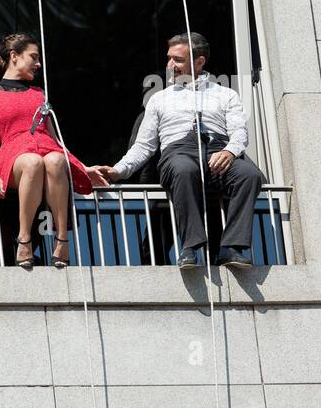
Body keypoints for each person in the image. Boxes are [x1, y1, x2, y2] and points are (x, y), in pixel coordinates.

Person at [90, 32, 261, 270]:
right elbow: (144, 146)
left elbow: (240, 132)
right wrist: (118, 171)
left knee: (248, 174)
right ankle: (191, 245)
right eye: (169, 59)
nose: (170, 65)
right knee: (183, 169)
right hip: (178, 152)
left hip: (218, 150)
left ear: (199, 62)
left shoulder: (226, 94)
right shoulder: (158, 99)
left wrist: (231, 152)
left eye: (178, 60)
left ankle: (232, 247)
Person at [0, 33, 106, 269]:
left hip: (45, 150)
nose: (38, 64)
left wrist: (83, 168)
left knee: (55, 160)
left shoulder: (38, 94)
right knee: (33, 162)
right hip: (15, 156)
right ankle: (23, 238)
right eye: (34, 57)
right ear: (14, 56)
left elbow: (56, 140)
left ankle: (62, 239)